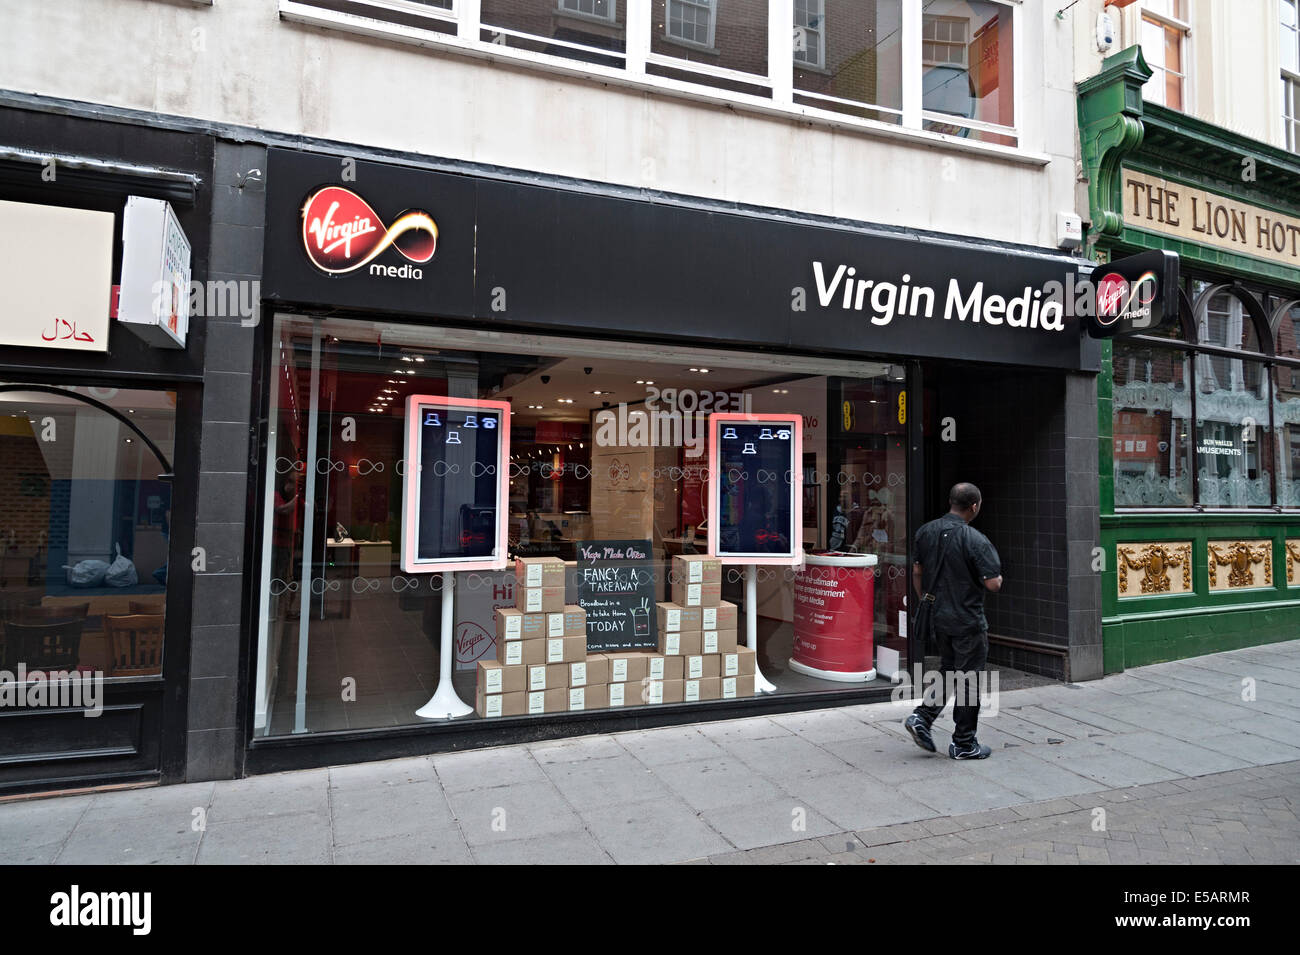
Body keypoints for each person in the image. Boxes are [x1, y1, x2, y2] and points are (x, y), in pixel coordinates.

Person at [903, 482, 1003, 760]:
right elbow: (993, 583)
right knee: (969, 678)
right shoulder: (975, 539)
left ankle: (922, 717)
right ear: (974, 506)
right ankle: (963, 743)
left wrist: (926, 599)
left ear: (951, 502)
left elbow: (917, 572)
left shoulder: (925, 532)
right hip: (967, 619)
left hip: (938, 617)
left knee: (949, 670)